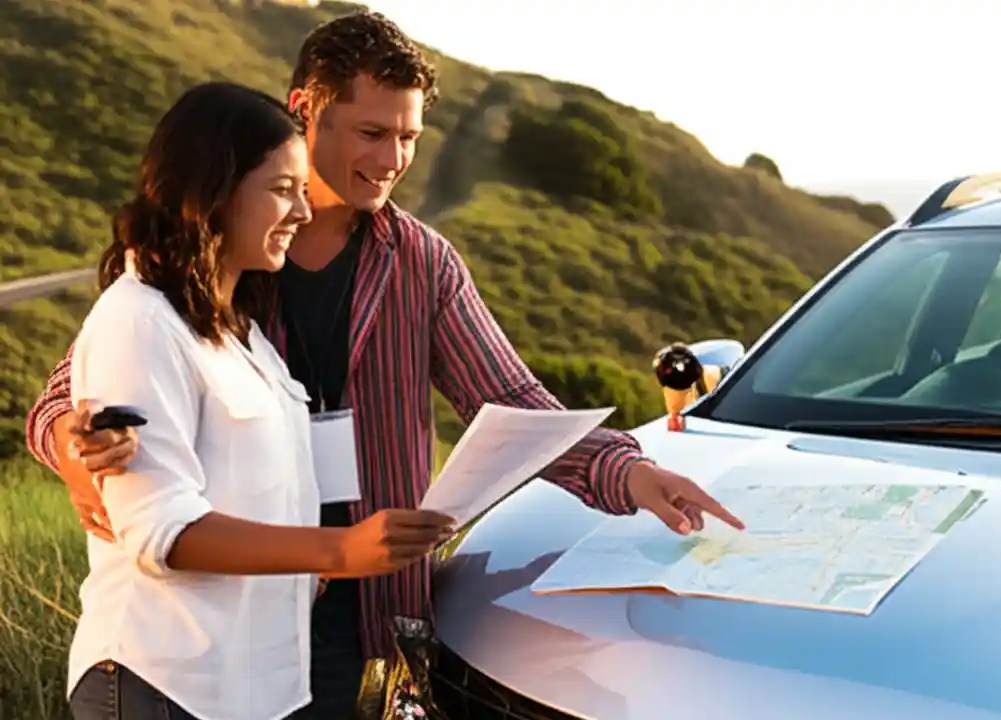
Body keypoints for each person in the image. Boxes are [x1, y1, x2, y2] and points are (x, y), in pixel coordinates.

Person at [26, 10, 745, 715]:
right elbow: (77, 392)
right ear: (305, 110)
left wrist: (630, 471)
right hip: (213, 620)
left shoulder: (423, 263)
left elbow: (514, 398)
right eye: (372, 132)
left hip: (364, 617)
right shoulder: (214, 251)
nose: (392, 159)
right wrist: (76, 442)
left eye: (408, 137)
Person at [60, 81, 454, 720]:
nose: (301, 213)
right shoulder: (138, 320)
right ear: (211, 193)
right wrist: (340, 550)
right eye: (281, 190)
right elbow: (164, 532)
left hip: (255, 690)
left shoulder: (237, 329)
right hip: (166, 685)